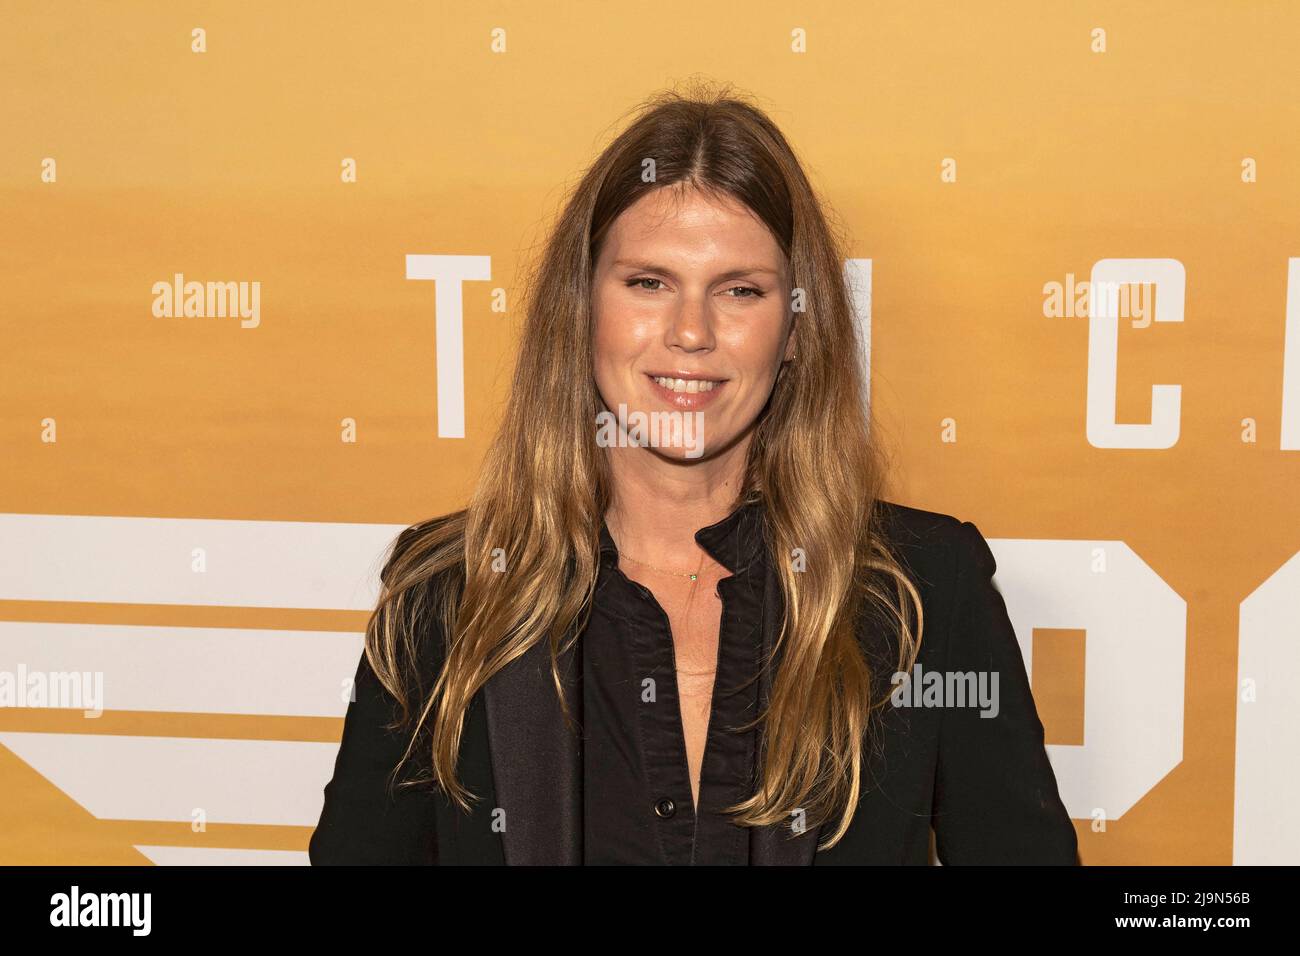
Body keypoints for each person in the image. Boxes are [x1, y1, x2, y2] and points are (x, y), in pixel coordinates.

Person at [309, 82, 1079, 865]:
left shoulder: (921, 591)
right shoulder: (446, 597)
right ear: (579, 309)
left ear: (795, 329)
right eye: (649, 283)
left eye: (740, 291)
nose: (690, 333)